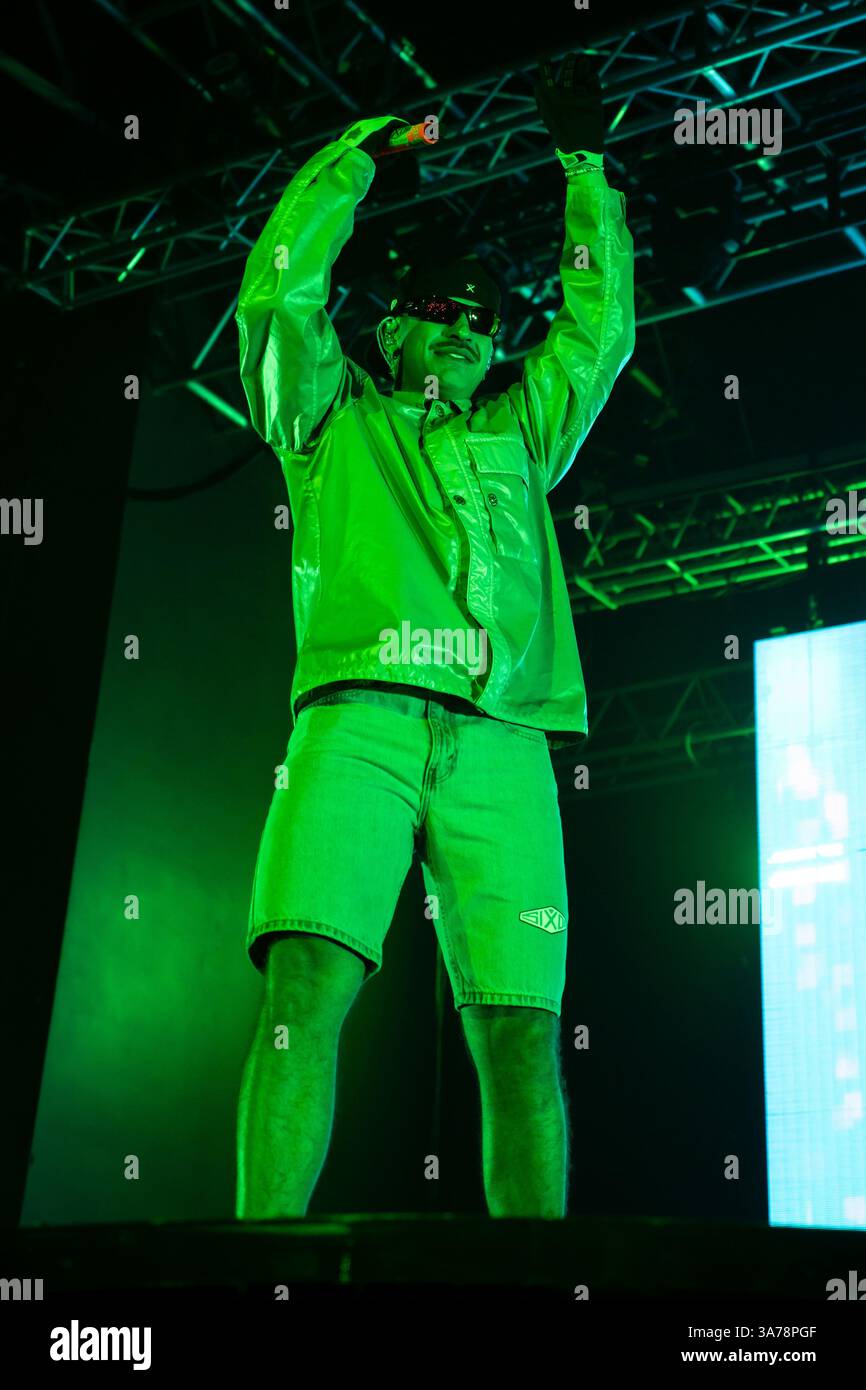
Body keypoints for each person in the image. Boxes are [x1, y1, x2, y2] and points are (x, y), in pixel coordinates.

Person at [234, 54, 635, 1220]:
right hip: (355, 719)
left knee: (520, 1033)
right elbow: (275, 292)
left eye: (484, 318)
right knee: (303, 986)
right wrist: (356, 156)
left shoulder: (521, 430)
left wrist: (582, 169)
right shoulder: (325, 415)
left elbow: (595, 329)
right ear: (395, 323)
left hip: (503, 740)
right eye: (444, 310)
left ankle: (535, 1283)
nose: (468, 329)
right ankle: (254, 1256)